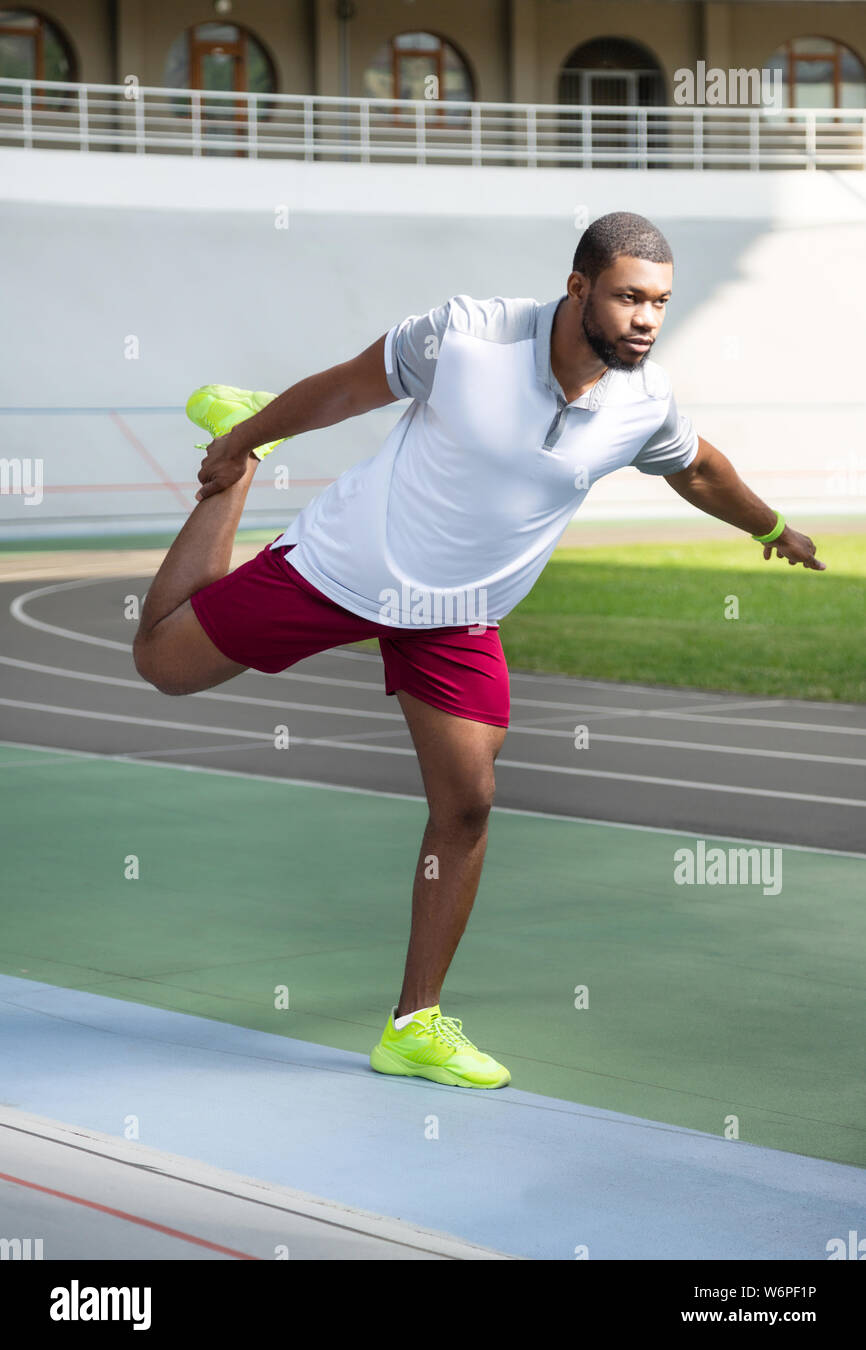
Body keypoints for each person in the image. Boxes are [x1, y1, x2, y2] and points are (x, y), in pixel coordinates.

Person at [133, 211, 825, 1090]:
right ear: (578, 289)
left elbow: (696, 469)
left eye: (659, 302)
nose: (646, 319)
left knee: (467, 804)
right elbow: (348, 387)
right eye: (627, 298)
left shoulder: (643, 404)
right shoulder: (465, 335)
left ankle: (413, 1025)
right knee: (163, 666)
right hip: (347, 564)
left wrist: (770, 526)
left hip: (458, 615)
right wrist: (243, 439)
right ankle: (244, 458)